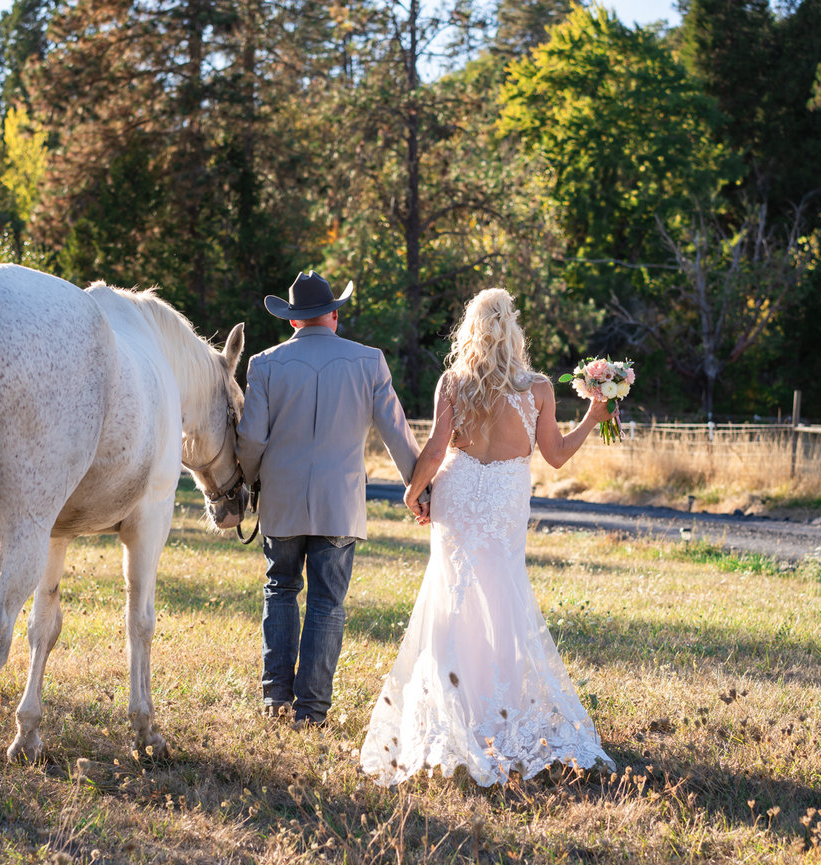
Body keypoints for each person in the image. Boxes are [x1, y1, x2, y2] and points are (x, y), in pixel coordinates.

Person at [360, 288, 617, 785]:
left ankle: (459, 706)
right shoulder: (539, 388)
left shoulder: (453, 381)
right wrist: (594, 415)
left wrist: (414, 492)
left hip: (458, 495)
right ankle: (502, 710)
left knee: (451, 596)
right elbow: (558, 455)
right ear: (513, 328)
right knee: (503, 596)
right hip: (504, 501)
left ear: (470, 329)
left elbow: (435, 451)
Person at [237, 271, 421, 729]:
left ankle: (276, 698)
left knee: (280, 588)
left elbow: (251, 441)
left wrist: (253, 480)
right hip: (339, 504)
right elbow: (397, 433)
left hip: (281, 500)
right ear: (334, 315)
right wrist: (419, 489)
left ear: (293, 321)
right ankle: (312, 710)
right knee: (327, 602)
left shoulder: (264, 363)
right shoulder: (369, 361)